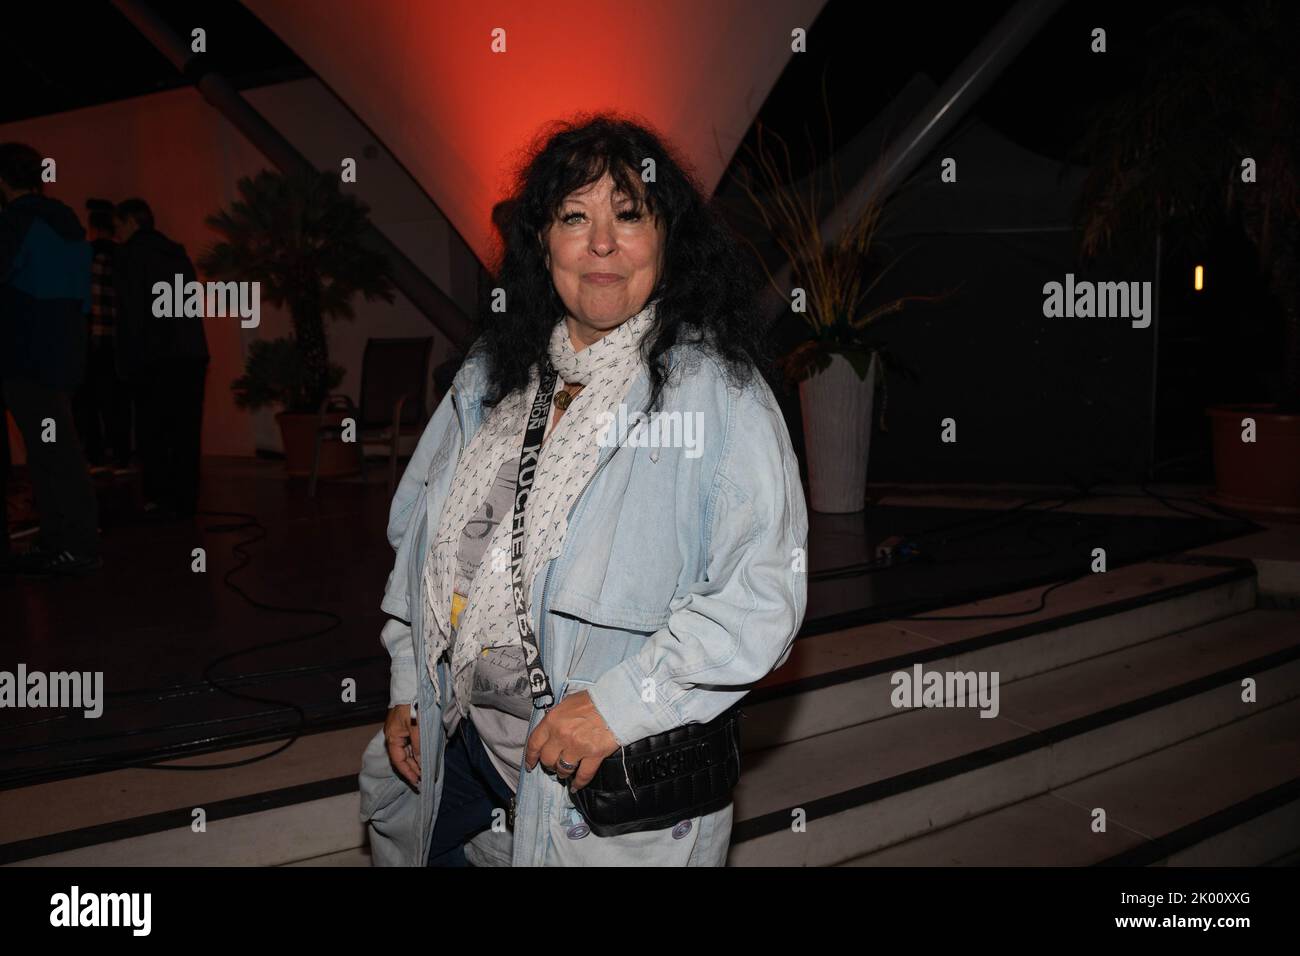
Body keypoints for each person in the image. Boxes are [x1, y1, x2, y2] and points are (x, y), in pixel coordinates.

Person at [359, 114, 809, 866]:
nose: (602, 243)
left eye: (630, 216)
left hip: (586, 800)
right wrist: (411, 679)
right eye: (575, 217)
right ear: (543, 243)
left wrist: (620, 706)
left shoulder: (716, 393)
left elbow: (762, 596)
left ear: (668, 241)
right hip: (454, 759)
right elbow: (417, 534)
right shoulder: (488, 377)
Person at [0, 142, 99, 574]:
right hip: (63, 352)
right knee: (50, 449)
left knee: (54, 452)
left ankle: (75, 546)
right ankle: (58, 540)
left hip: (25, 354)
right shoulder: (68, 222)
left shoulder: (15, 224)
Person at [112, 198, 209, 518]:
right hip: (191, 354)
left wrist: (126, 362)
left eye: (118, 225)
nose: (116, 232)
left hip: (154, 357)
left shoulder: (130, 256)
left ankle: (159, 499)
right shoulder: (176, 253)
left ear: (129, 222)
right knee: (186, 432)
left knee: (153, 431)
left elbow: (131, 315)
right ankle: (185, 499)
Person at [73, 199, 132, 472]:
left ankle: (94, 454)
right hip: (120, 340)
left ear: (93, 228)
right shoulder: (125, 256)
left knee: (87, 402)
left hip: (90, 338)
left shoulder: (84, 255)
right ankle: (121, 454)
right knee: (117, 401)